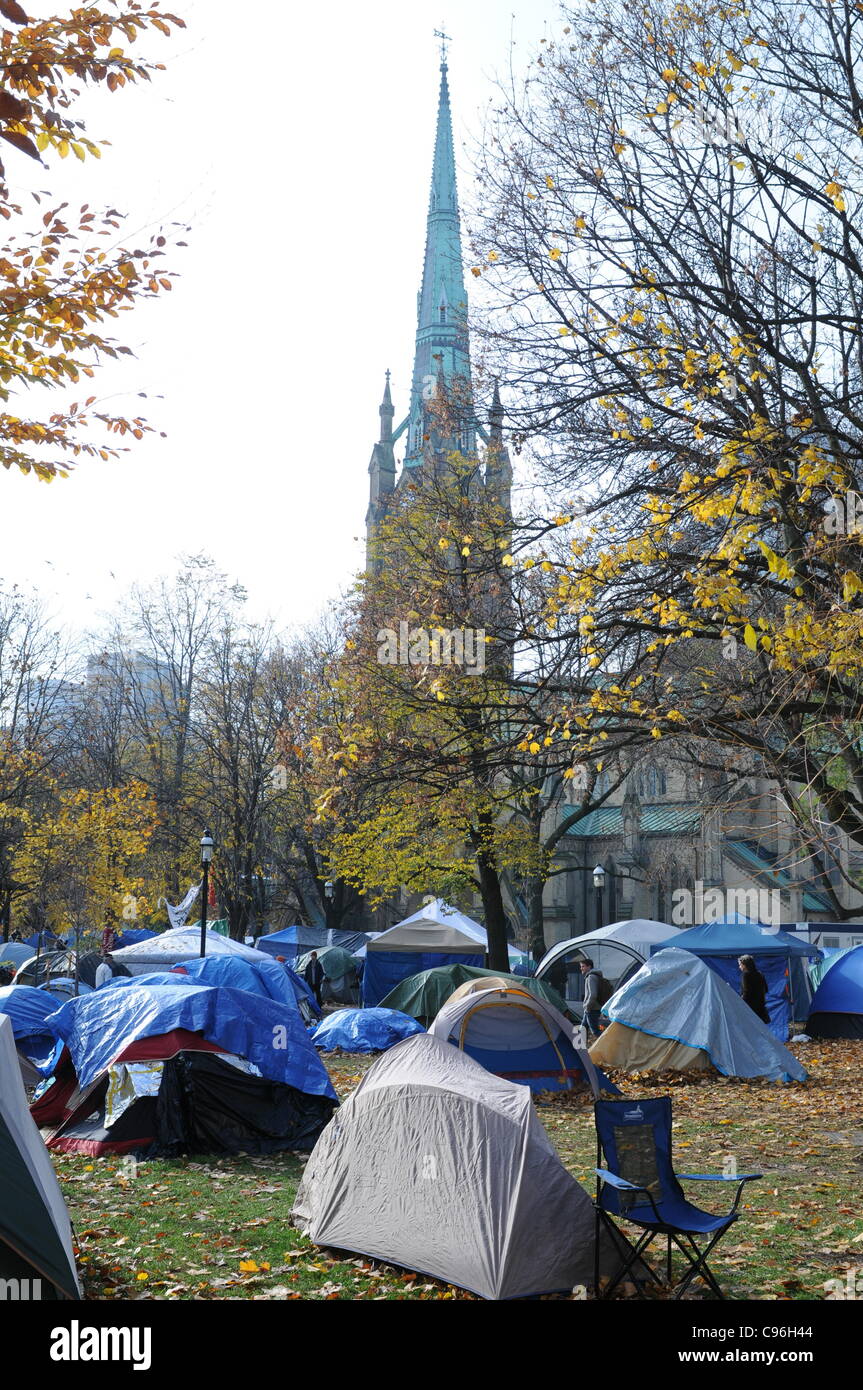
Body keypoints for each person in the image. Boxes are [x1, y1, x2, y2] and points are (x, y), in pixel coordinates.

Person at [579, 957, 607, 1036]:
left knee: (596, 1031)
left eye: (583, 966)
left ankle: (607, 1045)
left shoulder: (591, 977)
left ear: (589, 967)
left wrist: (587, 1007)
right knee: (583, 1029)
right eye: (581, 966)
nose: (581, 968)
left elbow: (593, 994)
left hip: (592, 1009)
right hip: (592, 1008)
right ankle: (580, 1047)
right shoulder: (596, 976)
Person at [738, 954, 770, 1024]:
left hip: (750, 1008)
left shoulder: (746, 975)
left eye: (740, 964)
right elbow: (766, 989)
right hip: (760, 1007)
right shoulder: (760, 974)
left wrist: (740, 1003)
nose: (739, 967)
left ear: (745, 965)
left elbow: (746, 992)